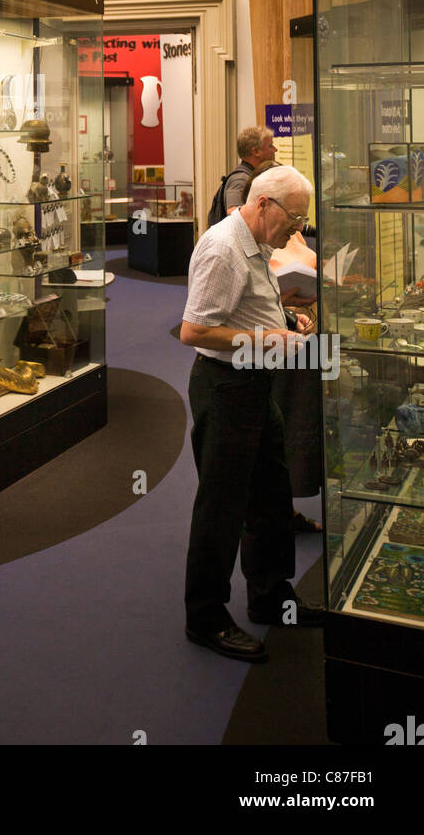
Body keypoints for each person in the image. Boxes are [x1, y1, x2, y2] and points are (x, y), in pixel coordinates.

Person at [180, 165, 324, 662]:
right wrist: (268, 339)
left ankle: (270, 596)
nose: (297, 229)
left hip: (257, 385)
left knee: (270, 493)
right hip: (226, 387)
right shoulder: (222, 247)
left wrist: (283, 316)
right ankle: (205, 617)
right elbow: (194, 332)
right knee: (221, 505)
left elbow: (243, 306)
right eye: (294, 217)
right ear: (264, 204)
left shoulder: (258, 241)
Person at [241, 161, 323, 535]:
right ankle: (272, 515)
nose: (298, 221)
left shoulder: (294, 235)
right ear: (265, 203)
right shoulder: (246, 244)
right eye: (293, 212)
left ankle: (289, 506)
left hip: (307, 336)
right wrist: (283, 303)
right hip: (274, 343)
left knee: (304, 422)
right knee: (281, 425)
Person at [223, 125, 277, 215]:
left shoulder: (252, 176)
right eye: (270, 146)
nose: (275, 149)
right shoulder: (240, 179)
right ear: (255, 152)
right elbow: (233, 213)